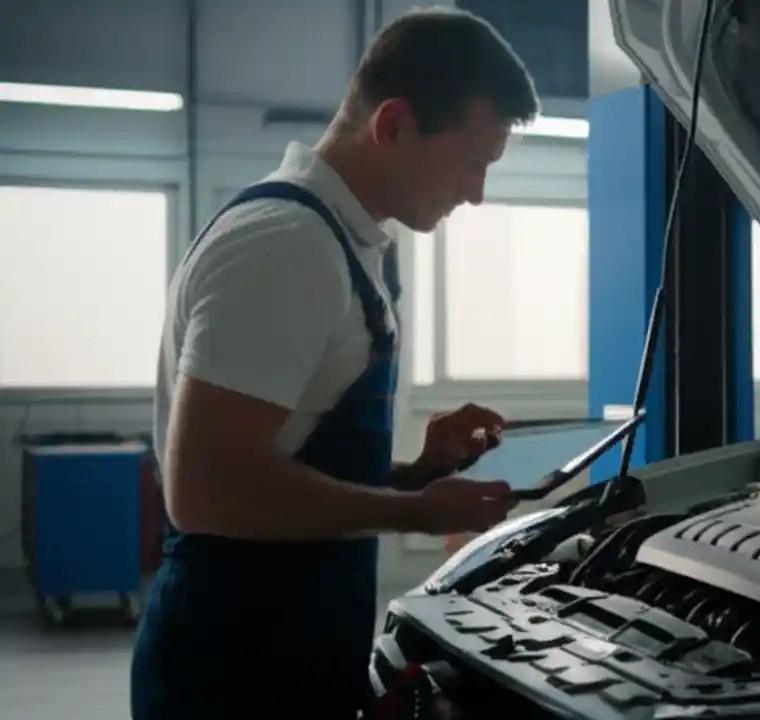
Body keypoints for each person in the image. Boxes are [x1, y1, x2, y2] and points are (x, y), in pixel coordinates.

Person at [130, 9, 539, 719]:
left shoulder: (350, 246)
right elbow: (206, 492)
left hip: (289, 653)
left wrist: (418, 471)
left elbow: (281, 469)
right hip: (226, 668)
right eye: (473, 162)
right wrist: (414, 512)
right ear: (392, 126)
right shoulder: (286, 246)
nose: (476, 193)